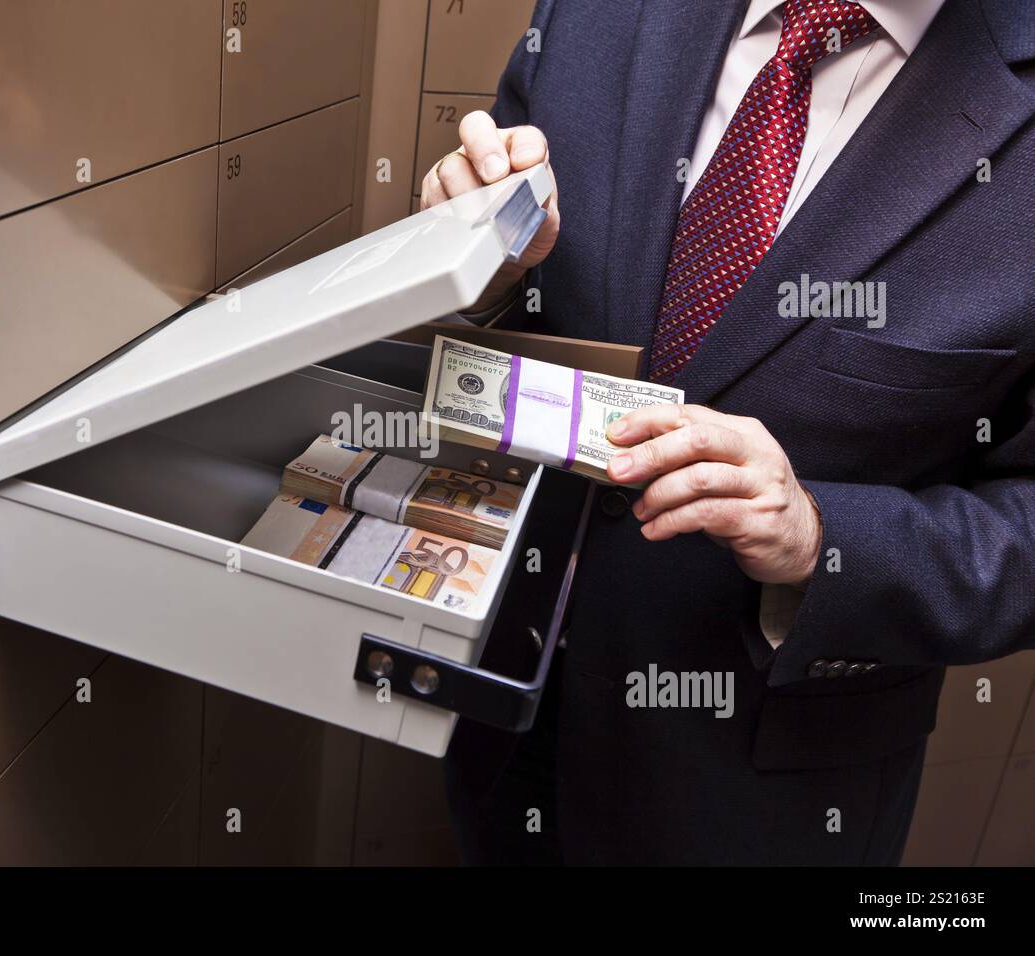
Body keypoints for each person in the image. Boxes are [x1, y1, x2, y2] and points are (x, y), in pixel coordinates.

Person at [425, 0, 1035, 865]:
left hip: (759, 795)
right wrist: (472, 252)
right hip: (510, 711)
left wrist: (821, 538)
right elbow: (506, 291)